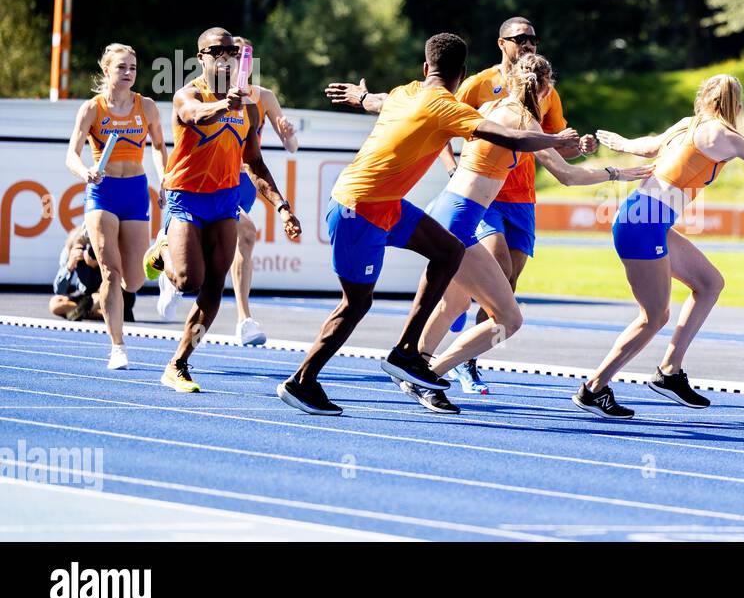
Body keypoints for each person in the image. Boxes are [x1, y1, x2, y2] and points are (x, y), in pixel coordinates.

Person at [277, 33, 580, 416]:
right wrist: (552, 137)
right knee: (356, 303)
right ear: (463, 73)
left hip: (384, 203)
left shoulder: (407, 91)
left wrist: (360, 98)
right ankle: (302, 381)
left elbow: (378, 100)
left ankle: (407, 352)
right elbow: (504, 136)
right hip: (360, 209)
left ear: (425, 68)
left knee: (450, 249)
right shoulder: (446, 107)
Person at [577, 74, 744, 419]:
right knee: (654, 317)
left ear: (704, 99)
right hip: (643, 225)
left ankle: (669, 371)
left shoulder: (688, 124)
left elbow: (649, 146)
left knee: (710, 283)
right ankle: (594, 388)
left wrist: (621, 142)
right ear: (737, 106)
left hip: (644, 220)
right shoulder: (731, 138)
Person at [406, 54, 649, 414]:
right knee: (508, 318)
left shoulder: (491, 106)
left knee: (455, 302)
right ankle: (427, 374)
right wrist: (617, 173)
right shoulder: (525, 122)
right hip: (459, 220)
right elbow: (568, 176)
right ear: (547, 87)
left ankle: (417, 365)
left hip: (448, 210)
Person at [143, 27, 301, 393]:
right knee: (188, 280)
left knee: (214, 287)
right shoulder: (187, 94)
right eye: (216, 51)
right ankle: (162, 251)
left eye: (231, 50)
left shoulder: (246, 106)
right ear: (201, 57)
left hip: (225, 200)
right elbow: (196, 115)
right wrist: (222, 105)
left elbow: (255, 164)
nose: (225, 56)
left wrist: (282, 206)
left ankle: (178, 364)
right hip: (187, 196)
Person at [65, 43, 167, 368]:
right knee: (111, 270)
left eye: (133, 68)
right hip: (102, 192)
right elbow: (71, 154)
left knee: (133, 281)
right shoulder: (92, 109)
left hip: (136, 190)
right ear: (106, 70)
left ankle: (154, 256)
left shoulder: (146, 107)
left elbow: (160, 147)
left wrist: (163, 178)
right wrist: (86, 171)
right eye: (121, 67)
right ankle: (117, 347)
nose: (127, 74)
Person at [229, 35, 299, 346]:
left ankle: (244, 320)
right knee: (234, 238)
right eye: (232, 55)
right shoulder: (206, 94)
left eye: (243, 57)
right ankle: (170, 269)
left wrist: (288, 137)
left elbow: (292, 147)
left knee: (242, 240)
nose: (238, 63)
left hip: (243, 181)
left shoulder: (263, 97)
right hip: (210, 179)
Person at [49, 224, 104, 322]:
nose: (82, 252)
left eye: (85, 248)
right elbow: (59, 290)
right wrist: (70, 266)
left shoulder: (99, 249)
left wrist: (97, 263)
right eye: (80, 248)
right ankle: (88, 312)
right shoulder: (69, 252)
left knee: (101, 298)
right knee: (55, 303)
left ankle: (81, 312)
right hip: (84, 296)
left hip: (102, 295)